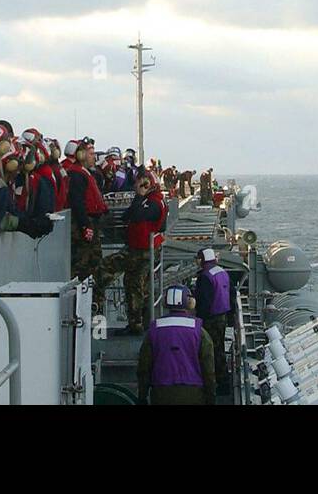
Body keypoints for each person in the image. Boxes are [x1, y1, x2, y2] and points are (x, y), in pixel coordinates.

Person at [104, 171, 167, 334]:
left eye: (141, 182)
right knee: (139, 287)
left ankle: (136, 324)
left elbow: (138, 215)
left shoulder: (154, 203)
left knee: (133, 286)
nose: (137, 186)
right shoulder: (149, 201)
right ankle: (141, 323)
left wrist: (139, 196)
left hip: (142, 252)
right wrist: (139, 198)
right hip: (139, 249)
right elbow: (127, 216)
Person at [137, 284, 215, 406]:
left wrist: (142, 396)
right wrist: (211, 397)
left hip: (161, 393)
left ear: (165, 303)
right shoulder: (199, 331)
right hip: (193, 393)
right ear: (190, 303)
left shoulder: (154, 330)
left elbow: (144, 368)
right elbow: (208, 369)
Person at [62, 138, 116, 316]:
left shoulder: (84, 172)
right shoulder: (77, 174)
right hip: (85, 225)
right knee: (85, 266)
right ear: (81, 155)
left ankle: (92, 302)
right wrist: (86, 226)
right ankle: (85, 304)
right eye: (91, 153)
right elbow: (77, 202)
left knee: (93, 265)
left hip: (91, 222)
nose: (94, 157)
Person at [194, 247, 230, 383]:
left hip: (210, 318)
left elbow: (204, 300)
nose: (197, 262)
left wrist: (199, 320)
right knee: (219, 347)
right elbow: (230, 293)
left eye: (198, 258)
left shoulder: (204, 276)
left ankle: (215, 379)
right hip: (222, 316)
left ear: (203, 260)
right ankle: (223, 377)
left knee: (210, 350)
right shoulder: (222, 272)